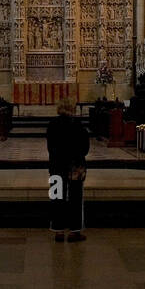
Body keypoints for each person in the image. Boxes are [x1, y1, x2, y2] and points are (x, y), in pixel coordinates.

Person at [47, 98, 89, 242]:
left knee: (56, 197)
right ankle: (74, 231)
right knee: (75, 198)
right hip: (75, 167)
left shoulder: (52, 124)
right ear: (72, 109)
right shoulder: (78, 125)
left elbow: (50, 147)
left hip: (56, 166)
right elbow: (85, 147)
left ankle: (58, 231)